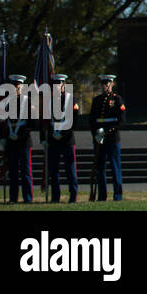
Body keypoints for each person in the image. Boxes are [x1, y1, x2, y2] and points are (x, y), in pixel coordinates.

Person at [44, 74, 81, 203]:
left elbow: (74, 121)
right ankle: (55, 197)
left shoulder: (71, 99)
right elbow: (45, 122)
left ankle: (73, 196)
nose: (57, 87)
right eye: (55, 84)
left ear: (63, 85)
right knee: (54, 171)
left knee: (70, 169)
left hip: (67, 140)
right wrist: (45, 138)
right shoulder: (49, 101)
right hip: (53, 140)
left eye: (59, 84)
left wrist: (63, 134)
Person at [90, 73, 126, 201]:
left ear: (111, 84)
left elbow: (121, 120)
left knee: (115, 167)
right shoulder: (97, 100)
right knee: (100, 168)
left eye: (107, 83)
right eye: (103, 83)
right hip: (99, 138)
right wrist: (96, 134)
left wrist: (107, 132)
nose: (105, 86)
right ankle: (102, 195)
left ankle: (117, 195)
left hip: (112, 138)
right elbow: (92, 120)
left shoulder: (117, 99)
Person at [0, 74, 34, 203]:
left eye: (18, 86)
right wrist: (2, 137)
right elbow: (0, 123)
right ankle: (13, 198)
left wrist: (20, 135)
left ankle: (27, 198)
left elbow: (32, 123)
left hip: (23, 140)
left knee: (25, 171)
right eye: (14, 86)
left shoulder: (28, 101)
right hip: (10, 140)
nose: (16, 88)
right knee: (12, 171)